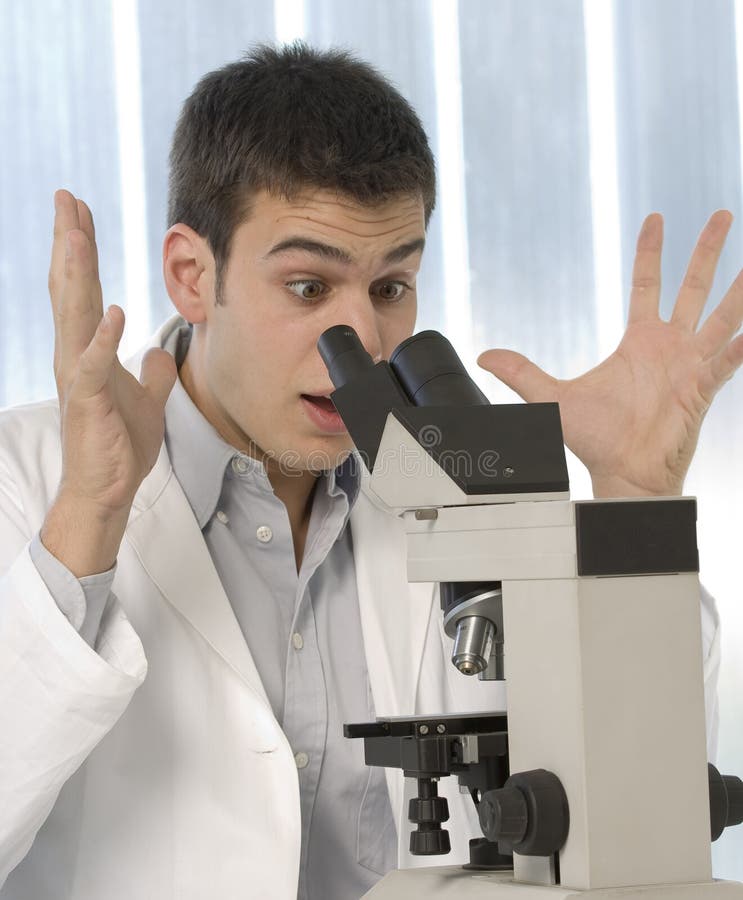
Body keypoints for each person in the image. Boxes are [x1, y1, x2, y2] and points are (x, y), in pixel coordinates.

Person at [0, 42, 740, 900]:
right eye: (310, 288)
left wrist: (633, 502)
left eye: (391, 287)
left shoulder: (460, 485)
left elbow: (641, 792)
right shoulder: (31, 480)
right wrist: (90, 516)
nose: (369, 341)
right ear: (192, 276)